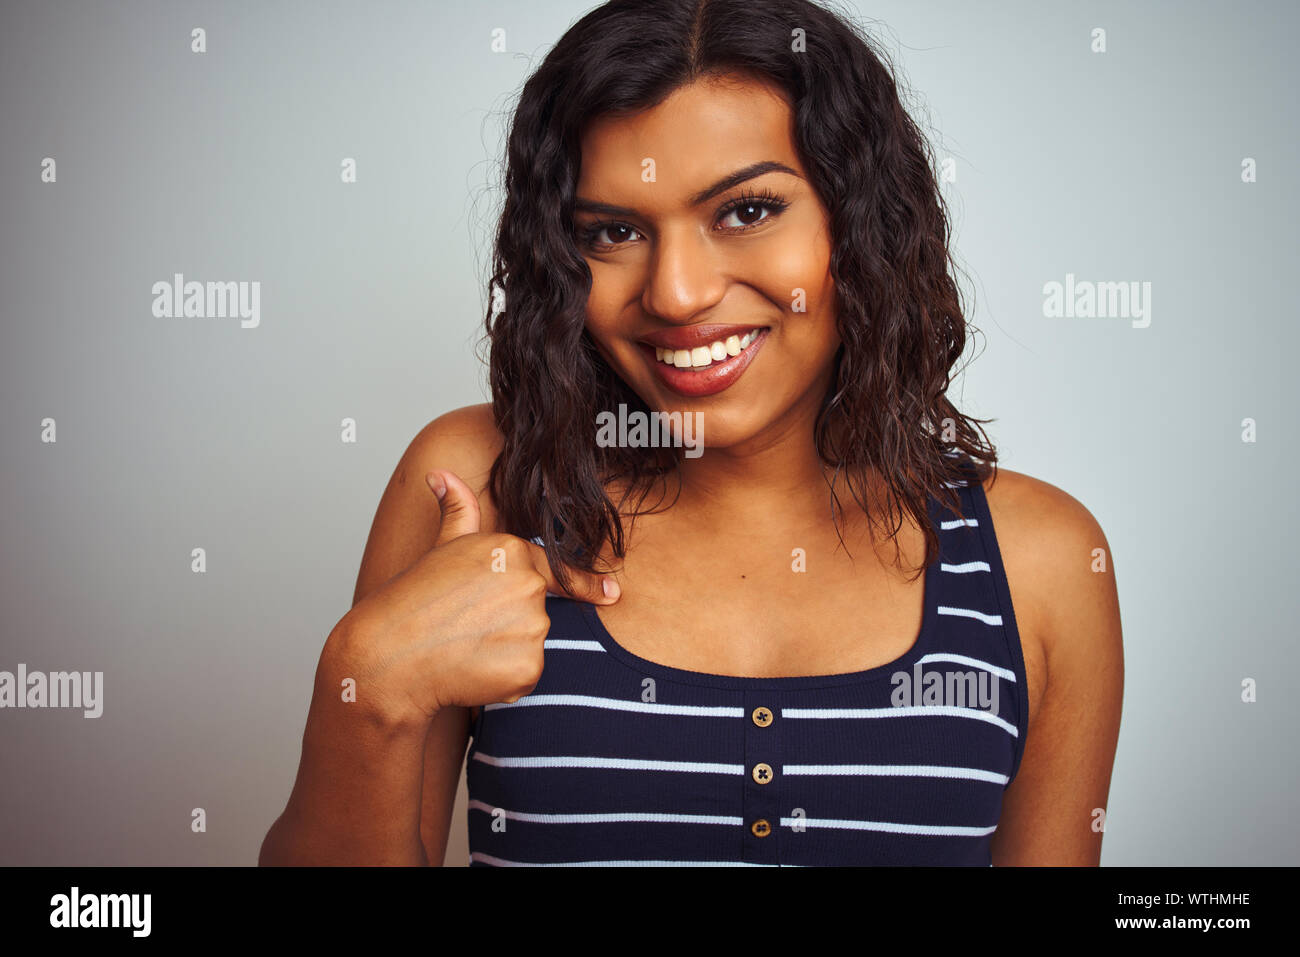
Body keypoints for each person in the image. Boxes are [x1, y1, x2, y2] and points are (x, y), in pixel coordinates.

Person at [259, 0, 1123, 867]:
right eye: (615, 232)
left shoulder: (1039, 565)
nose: (675, 293)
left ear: (860, 224)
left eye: (745, 211)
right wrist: (367, 684)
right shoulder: (476, 488)